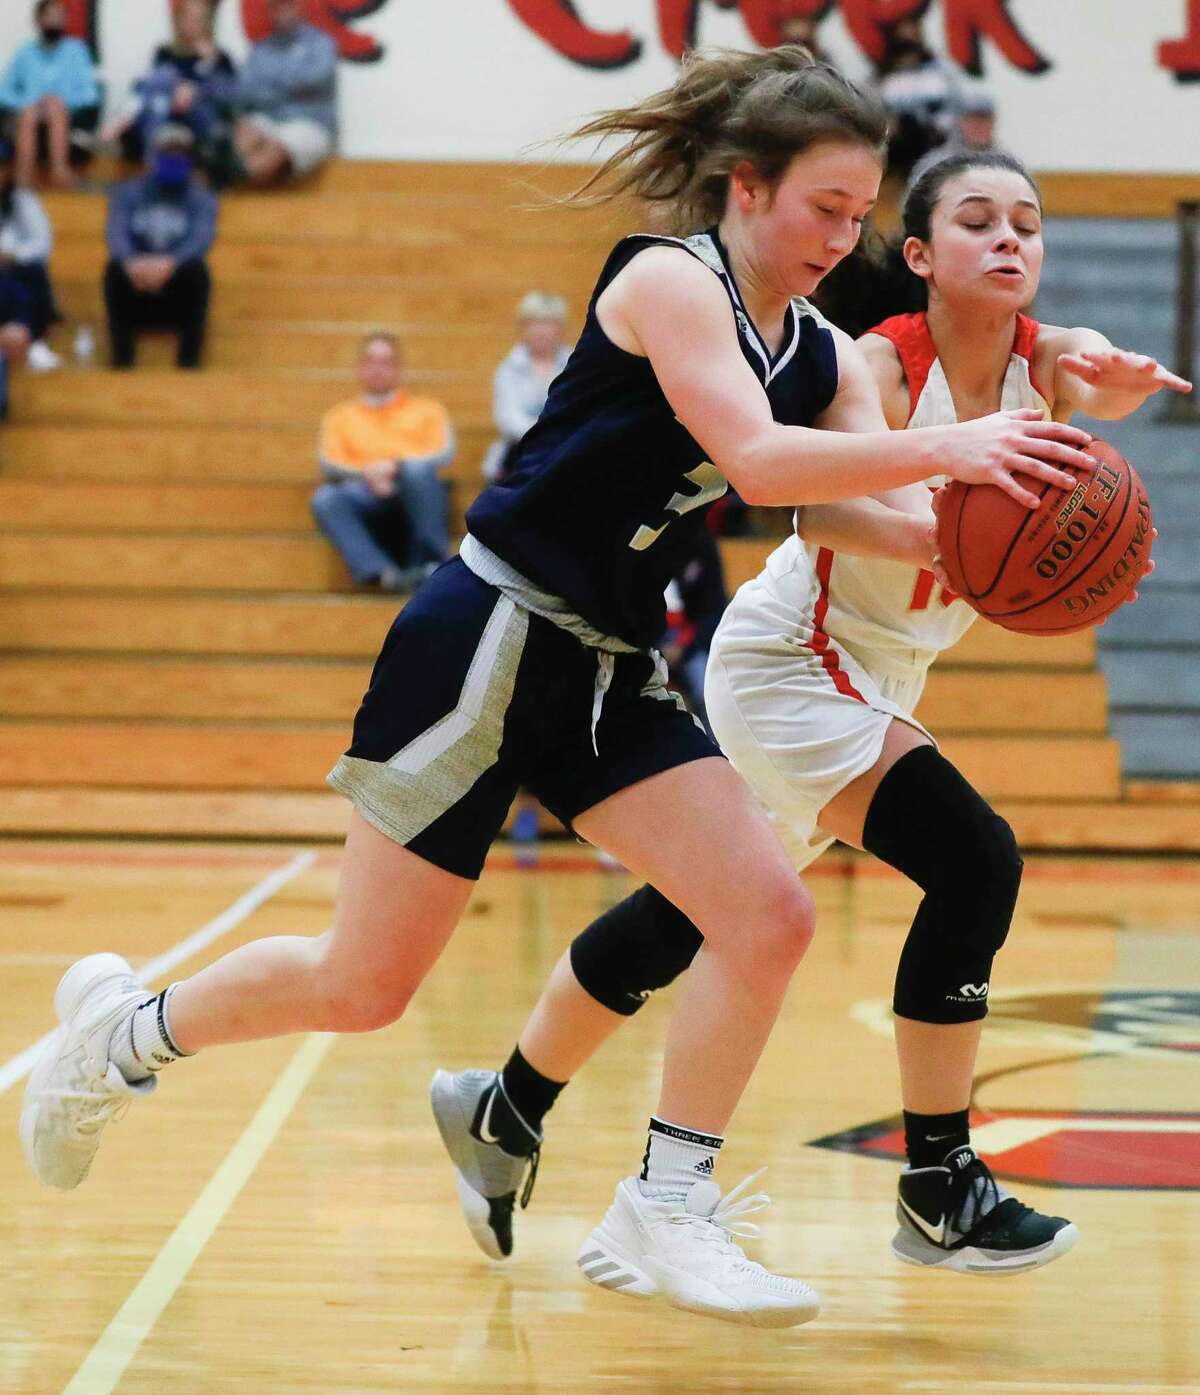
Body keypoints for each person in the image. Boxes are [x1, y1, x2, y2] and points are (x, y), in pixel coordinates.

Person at [22, 49, 1096, 1333]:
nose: (842, 236)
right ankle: (124, 1036)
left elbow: (843, 494)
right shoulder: (667, 278)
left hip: (603, 663)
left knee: (767, 914)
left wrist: (977, 540)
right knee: (363, 986)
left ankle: (667, 1206)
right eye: (824, 207)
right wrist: (947, 444)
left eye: (861, 214)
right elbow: (756, 458)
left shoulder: (813, 342)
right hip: (485, 635)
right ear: (744, 188)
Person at [432, 147, 1187, 1283]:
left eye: (1027, 223)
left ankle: (505, 1104)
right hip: (796, 659)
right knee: (975, 862)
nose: (1010, 240)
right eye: (979, 221)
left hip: (880, 675)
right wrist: (953, 541)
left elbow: (1094, 366)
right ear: (922, 256)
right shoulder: (883, 363)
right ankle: (940, 1180)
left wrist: (1116, 376)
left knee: (696, 915)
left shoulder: (1046, 362)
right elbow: (818, 514)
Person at [311, 332, 454, 593]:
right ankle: (381, 573)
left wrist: (395, 468)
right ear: (360, 368)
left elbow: (443, 453)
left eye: (386, 362)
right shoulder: (339, 416)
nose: (378, 369)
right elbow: (329, 463)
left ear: (399, 369)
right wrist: (369, 474)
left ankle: (433, 563)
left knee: (417, 471)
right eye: (371, 361)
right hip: (366, 493)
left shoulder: (428, 410)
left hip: (417, 492)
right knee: (326, 498)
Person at [103, 124, 217, 369]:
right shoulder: (128, 192)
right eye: (167, 153)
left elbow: (201, 238)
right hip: (137, 281)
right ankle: (122, 362)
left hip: (176, 284)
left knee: (198, 272)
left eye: (180, 153)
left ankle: (188, 364)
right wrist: (131, 262)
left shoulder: (202, 198)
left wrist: (170, 263)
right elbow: (116, 232)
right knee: (114, 270)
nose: (174, 159)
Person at [101, 0, 237, 182]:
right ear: (178, 21)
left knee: (161, 85)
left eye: (197, 19)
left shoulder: (220, 57)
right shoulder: (165, 52)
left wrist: (198, 85)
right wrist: (176, 91)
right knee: (158, 86)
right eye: (187, 18)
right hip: (166, 112)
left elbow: (232, 95)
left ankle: (128, 117)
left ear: (206, 22)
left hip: (201, 115)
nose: (191, 24)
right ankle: (136, 127)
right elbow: (152, 86)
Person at [234, 0, 337, 187]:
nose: (282, 10)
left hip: (309, 123)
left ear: (299, 6)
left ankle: (231, 177)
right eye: (276, 5)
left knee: (274, 149)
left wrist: (270, 85)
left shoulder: (321, 43)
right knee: (243, 132)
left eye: (288, 4)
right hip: (268, 119)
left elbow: (315, 79)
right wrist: (290, 84)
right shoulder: (260, 48)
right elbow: (246, 92)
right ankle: (224, 173)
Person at [0, 0, 100, 187]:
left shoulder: (77, 51)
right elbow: (3, 91)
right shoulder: (25, 53)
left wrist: (58, 101)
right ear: (39, 20)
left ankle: (59, 171)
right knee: (29, 111)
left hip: (67, 116)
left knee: (54, 106)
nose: (56, 21)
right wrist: (29, 102)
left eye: (60, 17)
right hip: (29, 116)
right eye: (51, 16)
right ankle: (23, 176)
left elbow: (90, 94)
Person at [482, 291, 570, 483]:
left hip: (567, 450)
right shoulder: (508, 368)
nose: (541, 330)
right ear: (523, 328)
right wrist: (547, 437)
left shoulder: (575, 365)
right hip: (519, 452)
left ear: (560, 328)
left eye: (548, 323)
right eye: (534, 323)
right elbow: (508, 420)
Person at [0, 136, 60, 370]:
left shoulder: (23, 201)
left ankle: (29, 336)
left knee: (33, 271)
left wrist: (11, 255)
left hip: (15, 274)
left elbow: (42, 244)